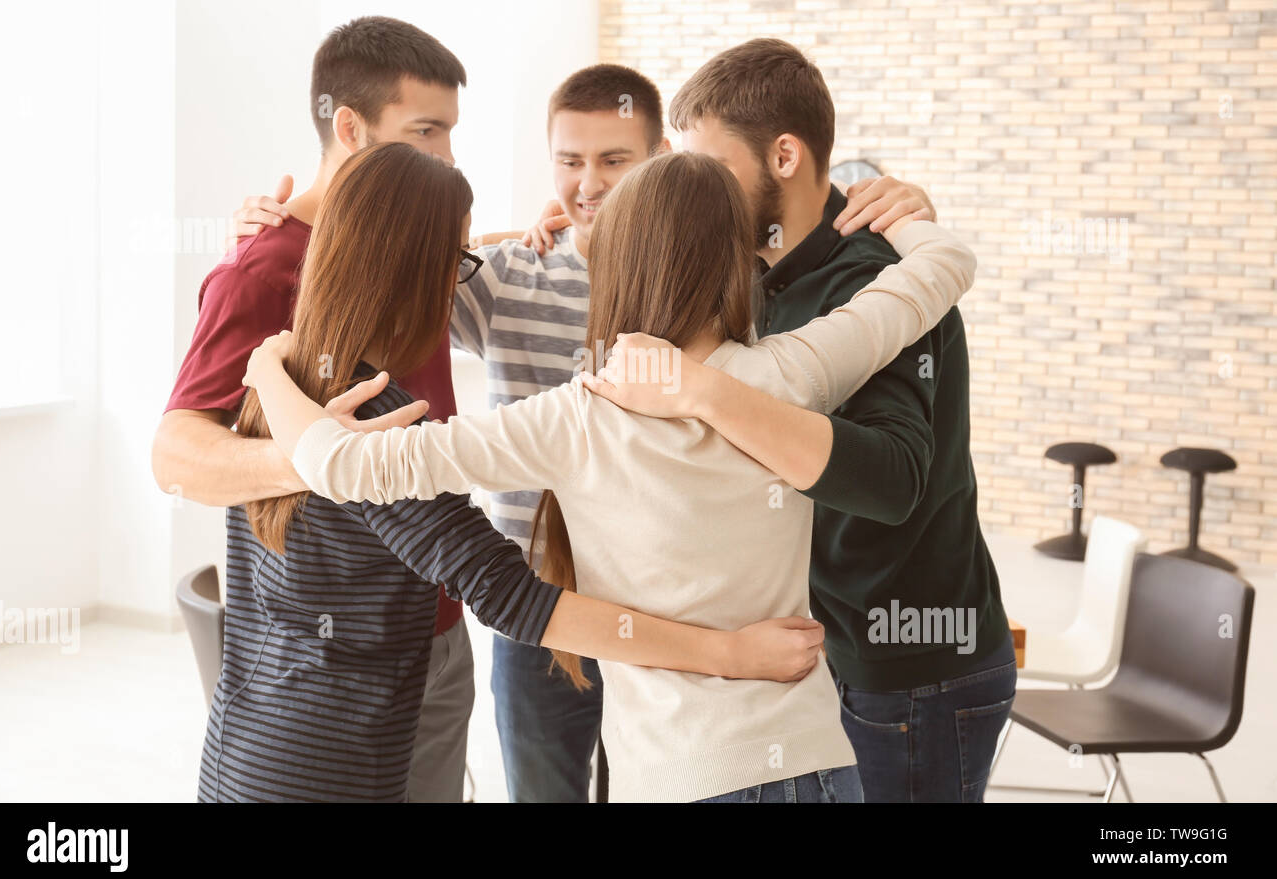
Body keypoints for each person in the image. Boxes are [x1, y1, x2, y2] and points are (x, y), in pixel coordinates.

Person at [230, 61, 934, 802]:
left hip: (659, 684)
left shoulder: (585, 392)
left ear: (659, 160)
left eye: (614, 163)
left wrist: (264, 365)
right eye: (570, 161)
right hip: (559, 631)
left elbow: (394, 265)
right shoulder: (511, 290)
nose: (589, 183)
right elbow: (411, 252)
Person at [586, 38, 1016, 803]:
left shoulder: (877, 279)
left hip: (909, 671)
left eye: (711, 172)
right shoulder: (754, 274)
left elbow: (893, 479)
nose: (696, 196)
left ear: (784, 155)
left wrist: (708, 397)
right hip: (826, 658)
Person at [152, 16, 479, 801]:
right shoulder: (262, 272)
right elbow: (176, 457)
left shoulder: (416, 243)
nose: (445, 156)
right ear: (349, 127)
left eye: (450, 134)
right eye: (424, 131)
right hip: (332, 662)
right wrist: (328, 455)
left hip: (435, 634)